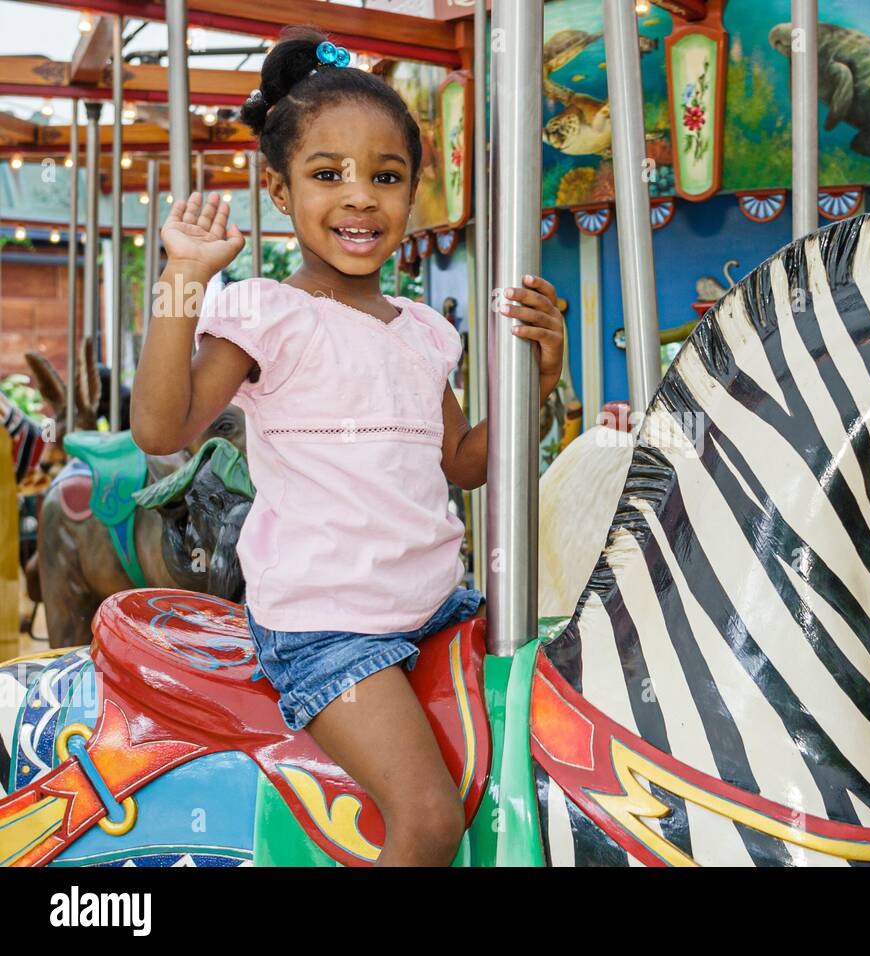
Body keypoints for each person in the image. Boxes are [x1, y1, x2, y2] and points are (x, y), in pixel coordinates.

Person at [132, 26, 565, 866]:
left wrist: (537, 382)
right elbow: (162, 428)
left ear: (413, 192)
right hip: (329, 627)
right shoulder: (267, 315)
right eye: (328, 175)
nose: (361, 197)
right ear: (280, 190)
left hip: (439, 606)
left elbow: (464, 464)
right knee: (430, 819)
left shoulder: (424, 333)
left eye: (386, 177)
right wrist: (184, 280)